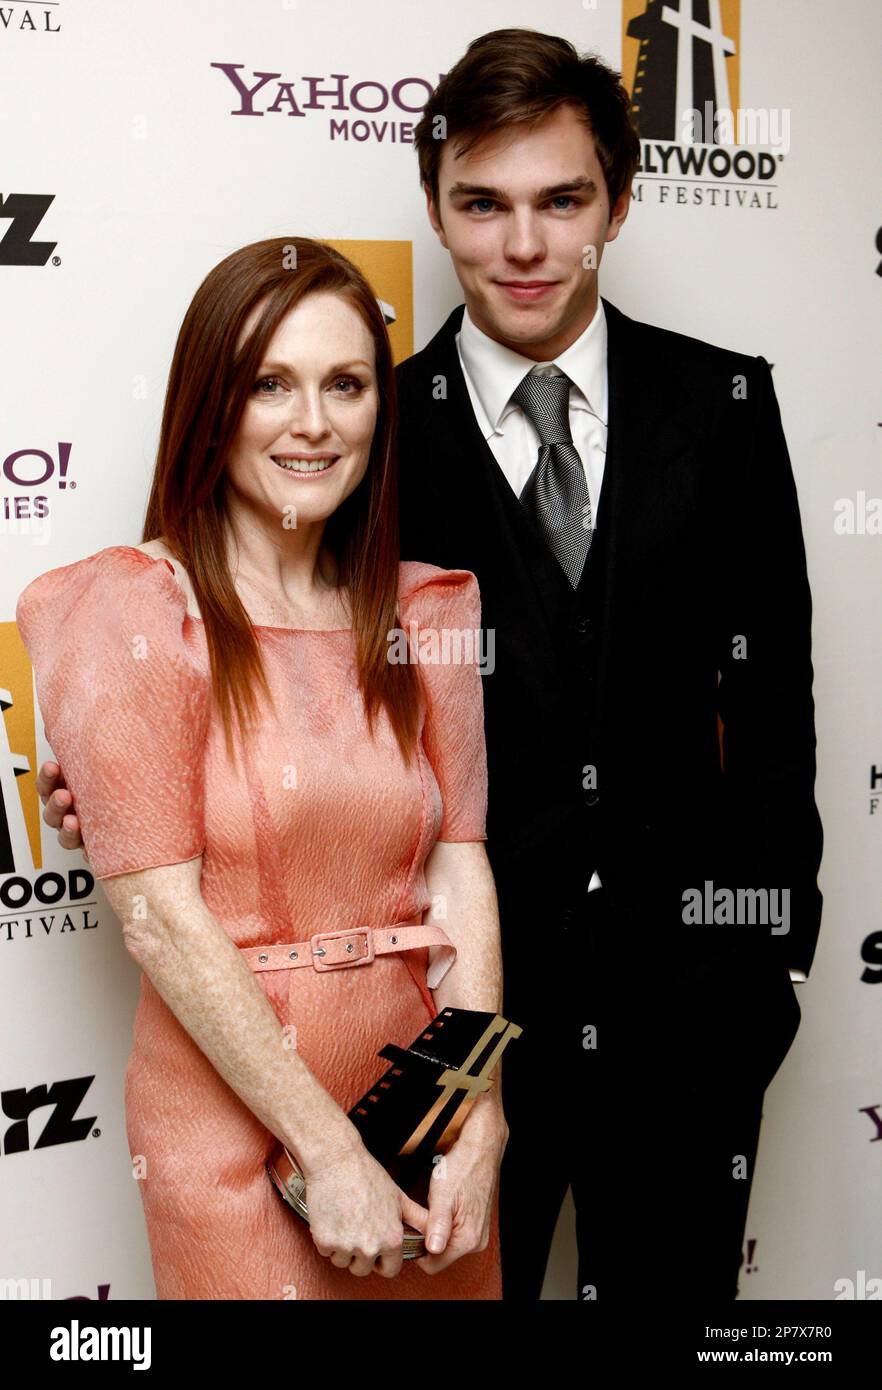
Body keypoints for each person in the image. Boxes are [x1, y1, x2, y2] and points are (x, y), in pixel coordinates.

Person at [35, 29, 824, 1302]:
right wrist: (120, 784)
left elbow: (774, 710)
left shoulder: (724, 406)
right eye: (483, 203)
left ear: (615, 205)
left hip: (692, 1017)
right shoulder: (360, 434)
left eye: (562, 201)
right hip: (443, 1054)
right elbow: (267, 681)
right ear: (436, 207)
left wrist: (772, 963)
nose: (522, 245)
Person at [17, 236, 507, 1300]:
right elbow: (158, 916)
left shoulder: (423, 614)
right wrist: (328, 1152)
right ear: (211, 402)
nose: (315, 423)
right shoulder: (130, 607)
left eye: (346, 384)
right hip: (236, 1116)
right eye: (270, 385)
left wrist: (478, 1109)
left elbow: (460, 873)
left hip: (419, 1099)